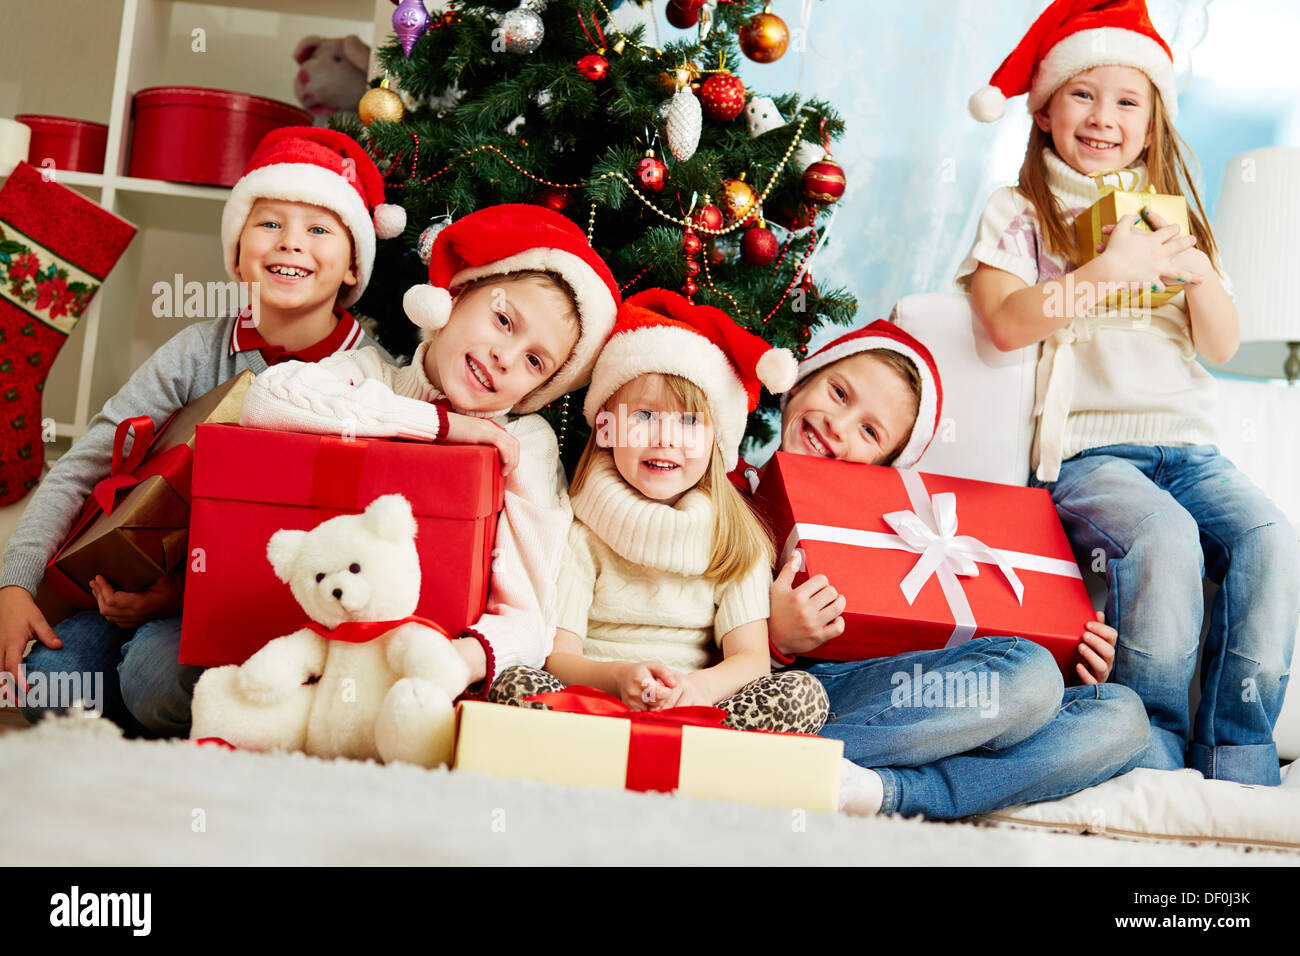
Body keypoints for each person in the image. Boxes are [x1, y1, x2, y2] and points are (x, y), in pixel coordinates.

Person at [961, 0, 1298, 784]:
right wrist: (1102, 273)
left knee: (1271, 537)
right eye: (1082, 94)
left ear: (1151, 127)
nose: (1103, 117)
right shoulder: (1020, 214)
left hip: (1189, 445)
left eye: (1126, 101)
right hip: (1089, 452)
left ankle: (1240, 748)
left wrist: (1201, 274)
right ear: (1043, 112)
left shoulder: (1172, 218)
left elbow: (1218, 343)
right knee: (1165, 538)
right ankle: (1144, 742)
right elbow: (1003, 326)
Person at [0, 126, 400, 736]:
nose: (291, 243)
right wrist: (13, 585)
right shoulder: (198, 351)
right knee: (51, 682)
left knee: (154, 679)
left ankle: (216, 726)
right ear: (237, 254)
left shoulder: (374, 379)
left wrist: (177, 600)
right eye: (269, 224)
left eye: (319, 229)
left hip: (260, 607)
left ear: (352, 268)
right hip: (136, 585)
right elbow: (87, 461)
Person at [758, 320, 1150, 818]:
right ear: (802, 377)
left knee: (1120, 715)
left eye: (869, 431)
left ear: (886, 466)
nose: (839, 425)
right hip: (807, 698)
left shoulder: (884, 536)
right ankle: (766, 762)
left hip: (920, 704)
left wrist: (1072, 662)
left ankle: (883, 792)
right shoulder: (730, 491)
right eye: (838, 393)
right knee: (1028, 676)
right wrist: (776, 639)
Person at [240, 202, 621, 704]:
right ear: (454, 298)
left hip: (437, 665)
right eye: (503, 320)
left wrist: (458, 661)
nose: (504, 358)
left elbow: (531, 619)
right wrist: (441, 426)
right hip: (319, 638)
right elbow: (265, 400)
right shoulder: (370, 376)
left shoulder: (523, 443)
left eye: (533, 361)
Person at [488, 289, 828, 733]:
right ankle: (608, 754)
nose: (665, 439)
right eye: (644, 416)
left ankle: (684, 758)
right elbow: (559, 656)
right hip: (598, 705)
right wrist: (617, 678)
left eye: (689, 422)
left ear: (715, 442)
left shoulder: (733, 541)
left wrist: (695, 690)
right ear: (607, 428)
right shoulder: (581, 530)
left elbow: (751, 660)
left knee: (803, 694)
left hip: (698, 713)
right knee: (514, 684)